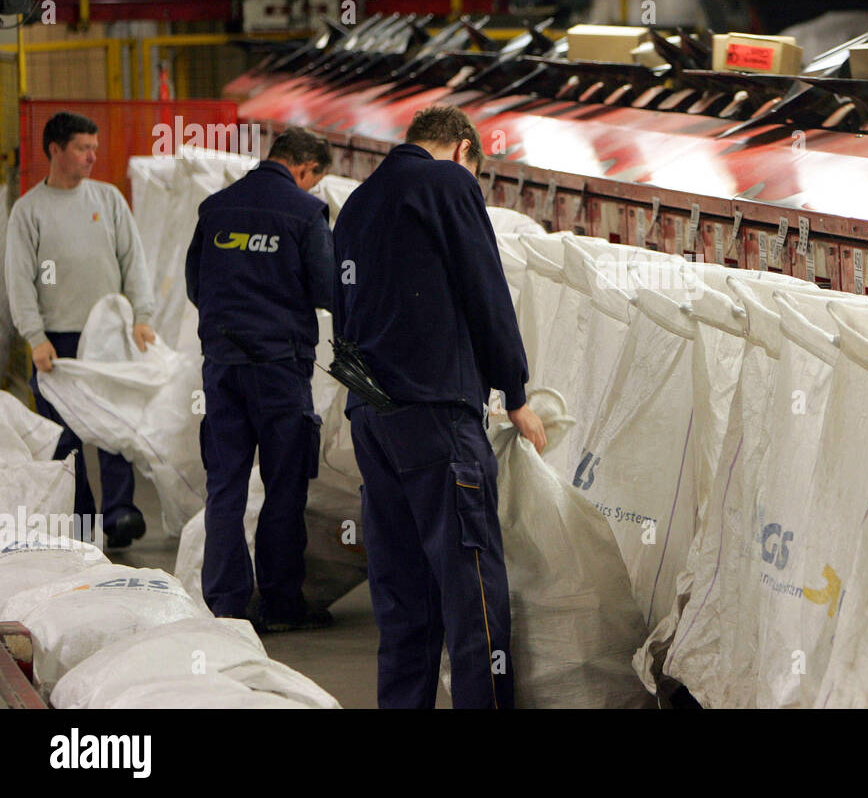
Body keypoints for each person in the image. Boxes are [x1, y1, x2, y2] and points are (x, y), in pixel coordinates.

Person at [333, 105, 546, 709]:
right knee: (472, 590)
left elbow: (341, 307)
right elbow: (485, 287)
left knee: (403, 594)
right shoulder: (448, 181)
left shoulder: (357, 202)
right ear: (462, 150)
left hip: (372, 417)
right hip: (436, 416)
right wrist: (514, 391)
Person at [184, 128, 335, 632]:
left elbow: (195, 285)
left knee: (225, 484)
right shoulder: (306, 213)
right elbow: (328, 289)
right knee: (284, 485)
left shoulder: (216, 208)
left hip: (222, 365)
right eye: (314, 180)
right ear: (305, 168)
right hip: (280, 369)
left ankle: (226, 606)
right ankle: (281, 604)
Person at [5, 111, 155, 548]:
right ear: (55, 150)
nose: (92, 157)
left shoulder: (108, 200)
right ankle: (81, 521)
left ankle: (120, 513)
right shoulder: (29, 211)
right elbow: (20, 279)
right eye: (83, 148)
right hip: (56, 341)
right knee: (65, 438)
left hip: (107, 336)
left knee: (113, 428)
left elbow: (133, 260)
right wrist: (35, 337)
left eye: (94, 148)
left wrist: (142, 316)